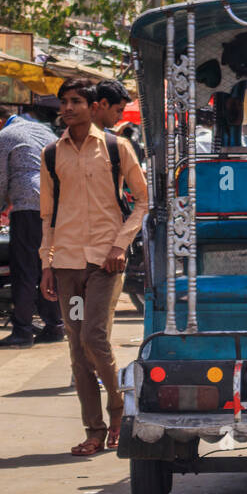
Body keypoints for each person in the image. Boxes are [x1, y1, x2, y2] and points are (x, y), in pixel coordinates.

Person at [38, 78, 148, 456]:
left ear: (92, 106)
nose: (67, 108)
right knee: (76, 347)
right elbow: (48, 215)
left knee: (93, 339)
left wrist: (121, 245)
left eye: (75, 102)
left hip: (105, 261)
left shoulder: (118, 148)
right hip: (67, 263)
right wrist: (46, 263)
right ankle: (94, 429)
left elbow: (143, 202)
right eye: (63, 102)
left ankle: (118, 413)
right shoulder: (52, 153)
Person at [0, 104, 62, 347]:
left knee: (24, 270)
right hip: (56, 204)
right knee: (48, 266)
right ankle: (54, 325)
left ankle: (22, 330)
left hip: (29, 205)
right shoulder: (45, 131)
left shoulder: (4, 135)